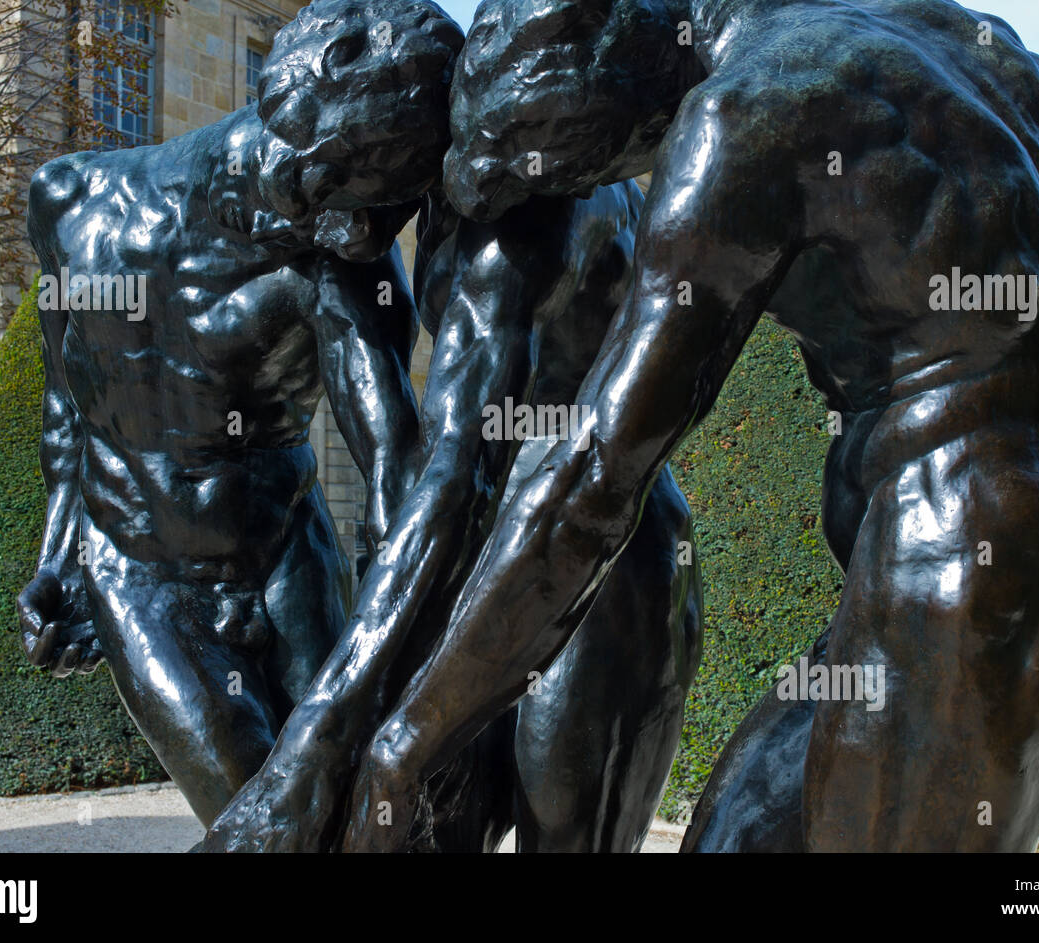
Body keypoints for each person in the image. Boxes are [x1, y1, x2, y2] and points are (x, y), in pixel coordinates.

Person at [333, 0, 1039, 852]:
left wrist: (409, 739)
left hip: (952, 595)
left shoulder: (736, 115)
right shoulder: (973, 46)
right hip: (969, 583)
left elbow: (592, 482)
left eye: (608, 160)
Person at [200, 0, 702, 852]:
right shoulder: (469, 183)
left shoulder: (514, 218)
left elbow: (454, 478)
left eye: (337, 175)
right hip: (490, 563)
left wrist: (306, 748)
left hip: (589, 574)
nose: (329, 210)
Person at [17, 104, 422, 826]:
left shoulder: (341, 248)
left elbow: (396, 468)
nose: (367, 235)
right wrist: (59, 558)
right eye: (355, 210)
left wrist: (402, 668)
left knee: (351, 805)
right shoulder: (68, 200)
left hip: (283, 548)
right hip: (139, 564)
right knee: (263, 821)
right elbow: (68, 402)